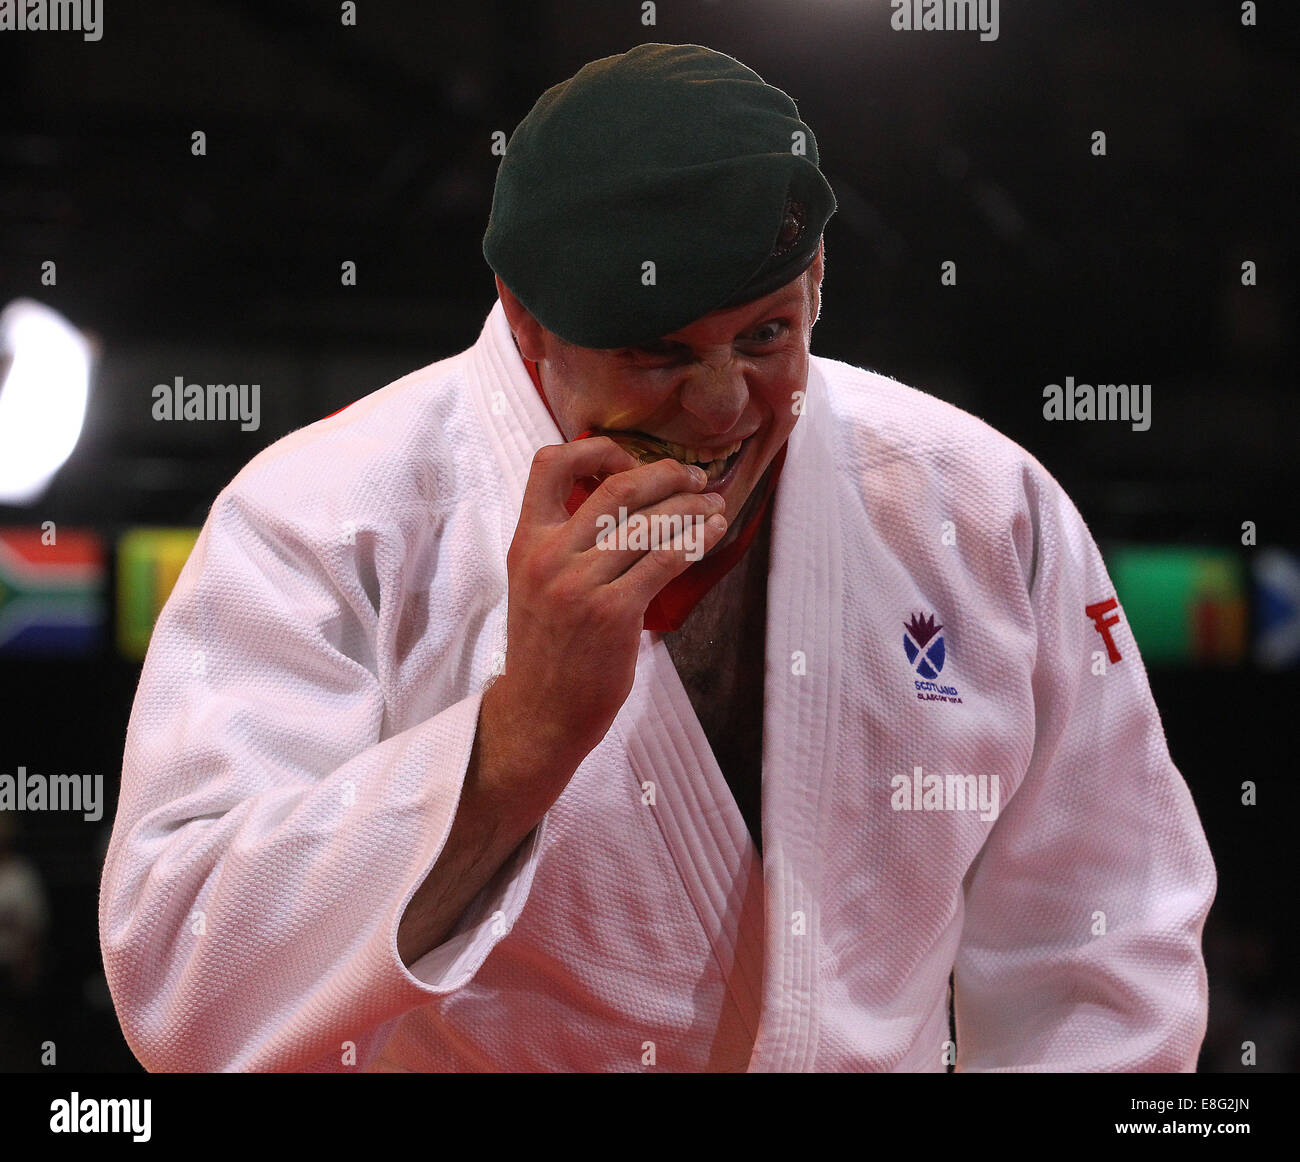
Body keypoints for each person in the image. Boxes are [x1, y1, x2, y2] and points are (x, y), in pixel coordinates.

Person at [99, 43, 1216, 1072]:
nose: (726, 405)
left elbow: (1106, 950)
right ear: (525, 318)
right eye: (656, 352)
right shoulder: (328, 515)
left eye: (768, 335)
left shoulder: (980, 508)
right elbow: (182, 982)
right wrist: (514, 746)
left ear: (818, 283)